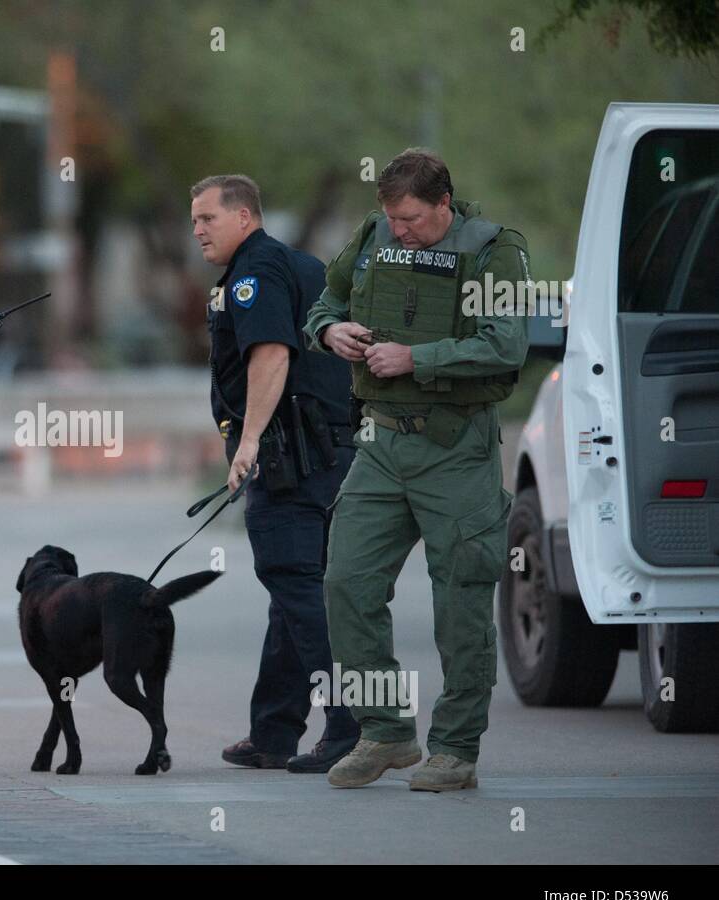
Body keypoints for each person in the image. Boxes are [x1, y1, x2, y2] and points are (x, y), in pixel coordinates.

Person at [304, 148, 530, 792]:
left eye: (411, 218)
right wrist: (330, 332)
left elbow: (506, 343)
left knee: (459, 599)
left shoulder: (494, 251)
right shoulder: (374, 233)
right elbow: (327, 298)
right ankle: (384, 732)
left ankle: (455, 749)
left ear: (443, 204)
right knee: (346, 583)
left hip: (456, 446)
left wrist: (417, 358)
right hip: (379, 444)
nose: (399, 230)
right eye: (391, 218)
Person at [192, 174, 361, 773]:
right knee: (295, 590)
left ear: (244, 216)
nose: (198, 230)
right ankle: (274, 731)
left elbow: (271, 353)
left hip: (290, 457)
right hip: (337, 453)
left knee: (295, 585)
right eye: (194, 221)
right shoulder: (307, 265)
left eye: (208, 218)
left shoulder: (253, 274)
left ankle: (350, 723)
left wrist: (251, 442)